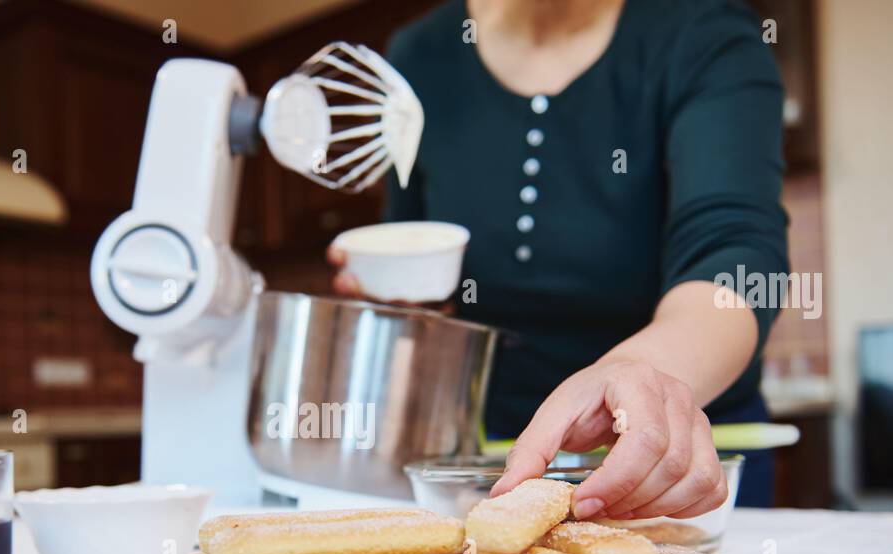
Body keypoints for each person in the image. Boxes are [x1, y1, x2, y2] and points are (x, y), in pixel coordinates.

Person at [329, 0, 788, 520]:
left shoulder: (703, 33)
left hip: (675, 468)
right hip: (487, 463)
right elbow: (417, 246)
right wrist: (399, 295)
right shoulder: (420, 54)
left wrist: (637, 376)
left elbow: (734, 254)